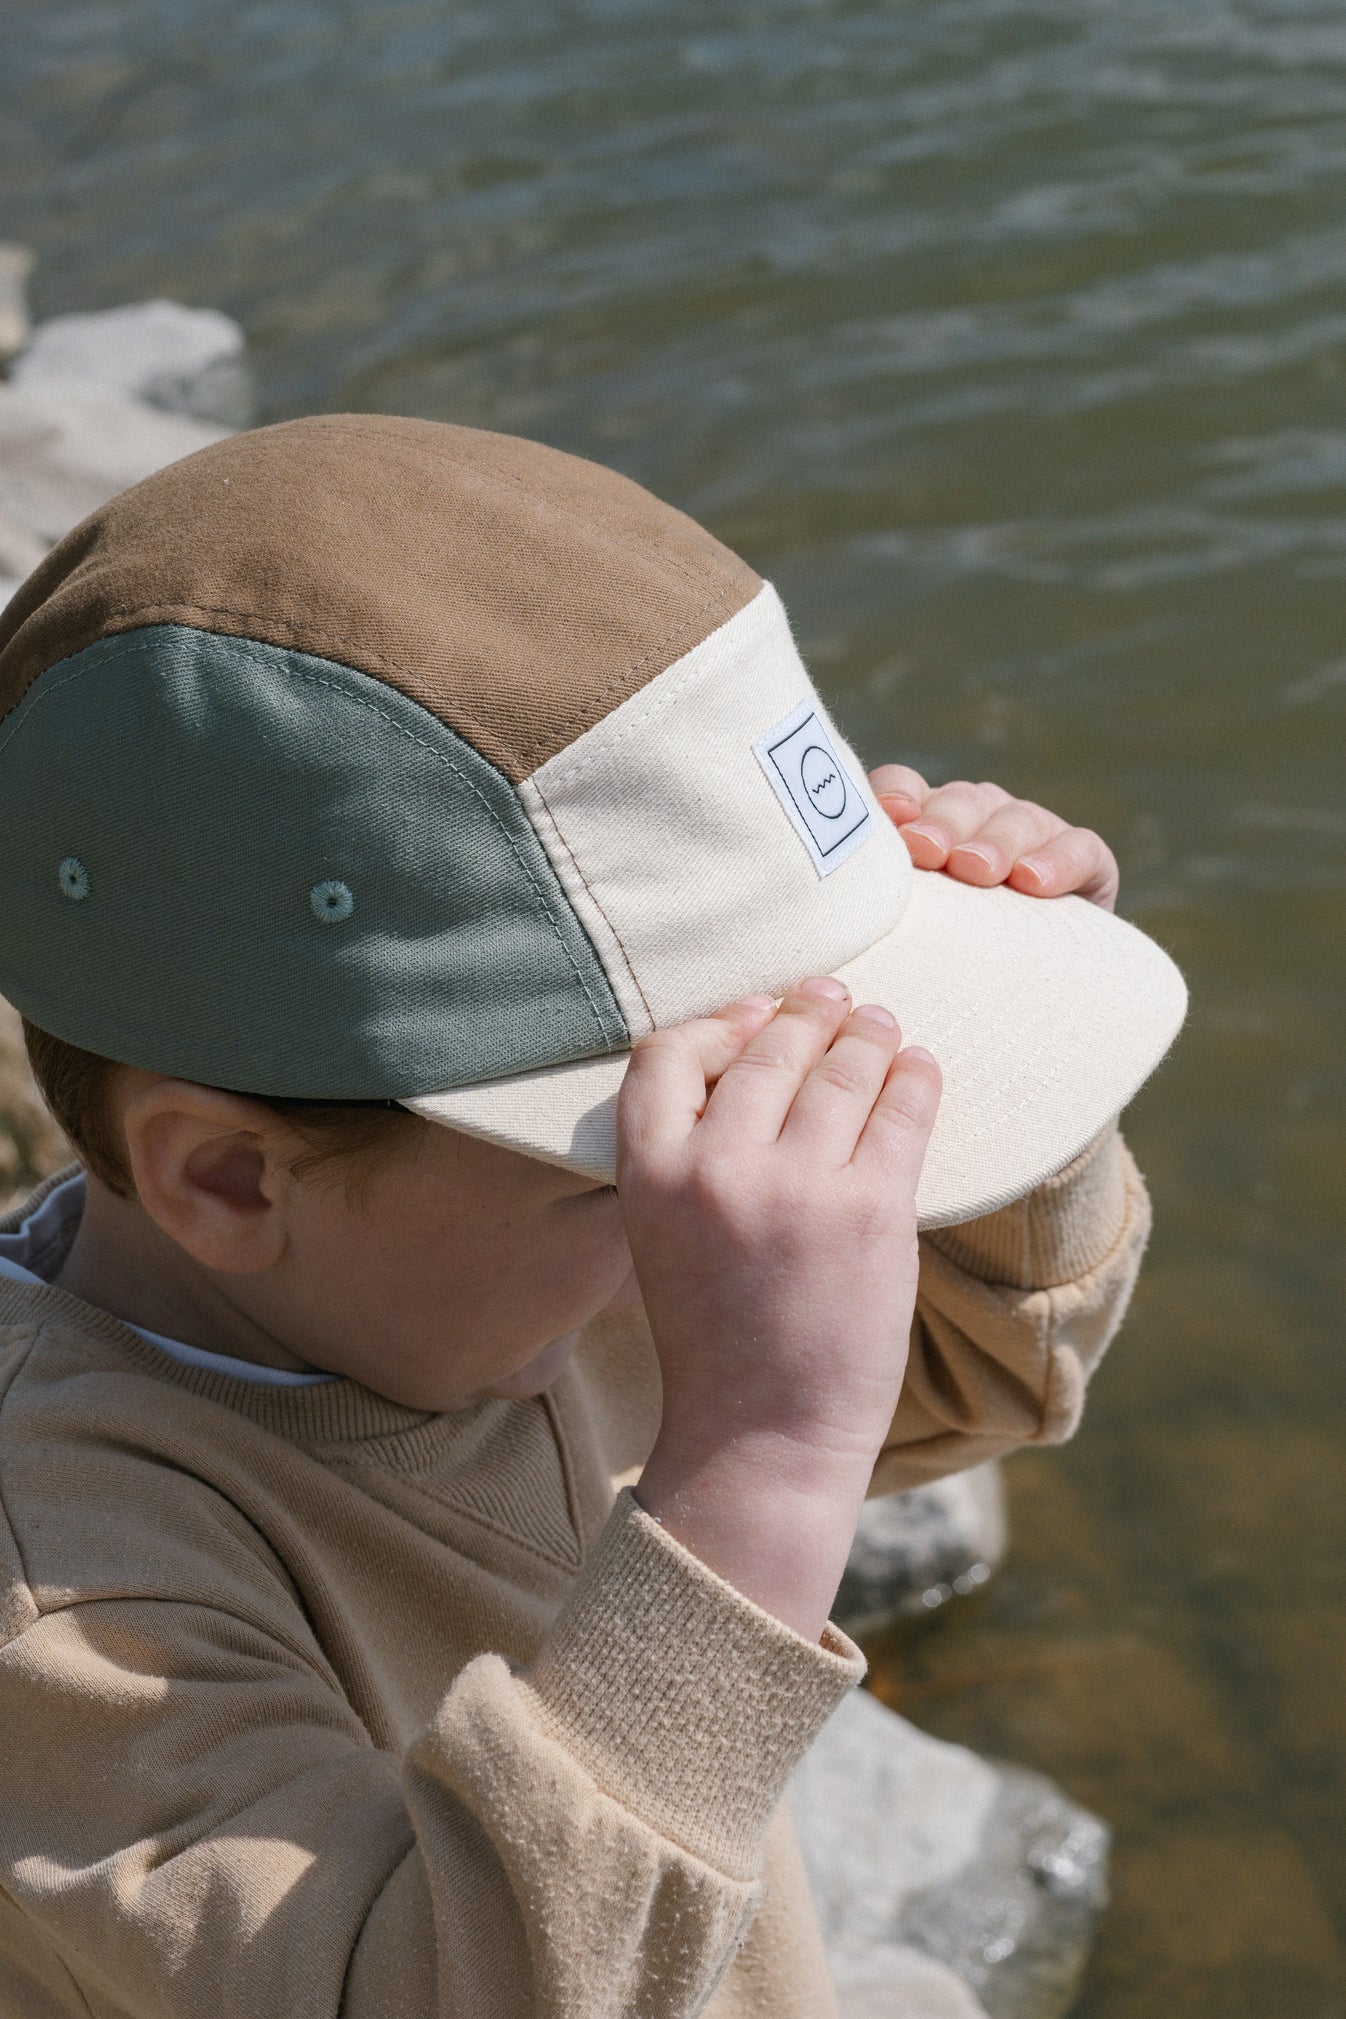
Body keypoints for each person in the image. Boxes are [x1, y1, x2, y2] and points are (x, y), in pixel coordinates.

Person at [0, 415, 1184, 2018]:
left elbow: (984, 1386)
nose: (725, 1223)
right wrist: (757, 1457)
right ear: (226, 1178)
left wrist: (980, 1081)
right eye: (645, 1166)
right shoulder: (66, 1583)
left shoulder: (480, 1270)